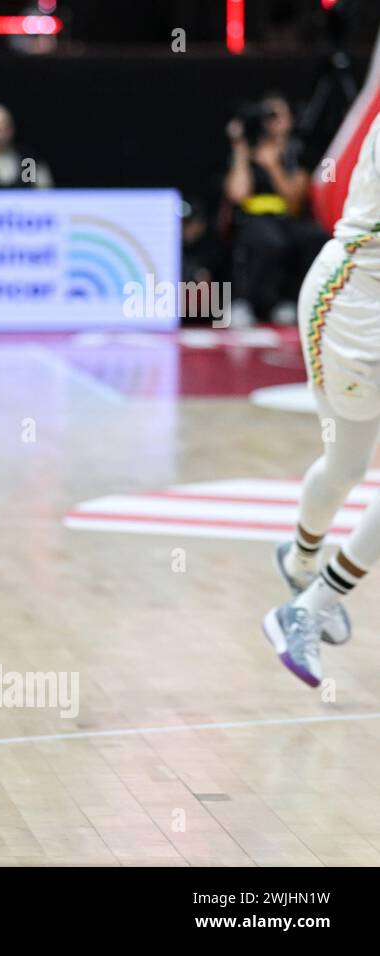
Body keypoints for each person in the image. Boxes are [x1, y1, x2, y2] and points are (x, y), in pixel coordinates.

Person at [262, 111, 380, 687]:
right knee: (345, 464)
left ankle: (305, 578)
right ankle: (306, 593)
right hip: (354, 311)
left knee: (350, 465)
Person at [224, 93, 327, 324]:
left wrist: (273, 166)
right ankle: (245, 302)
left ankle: (291, 301)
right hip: (254, 216)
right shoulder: (248, 149)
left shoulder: (296, 152)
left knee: (316, 237)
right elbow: (238, 194)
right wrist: (240, 150)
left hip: (286, 216)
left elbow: (294, 201)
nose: (273, 121)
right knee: (269, 241)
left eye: (278, 115)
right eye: (267, 115)